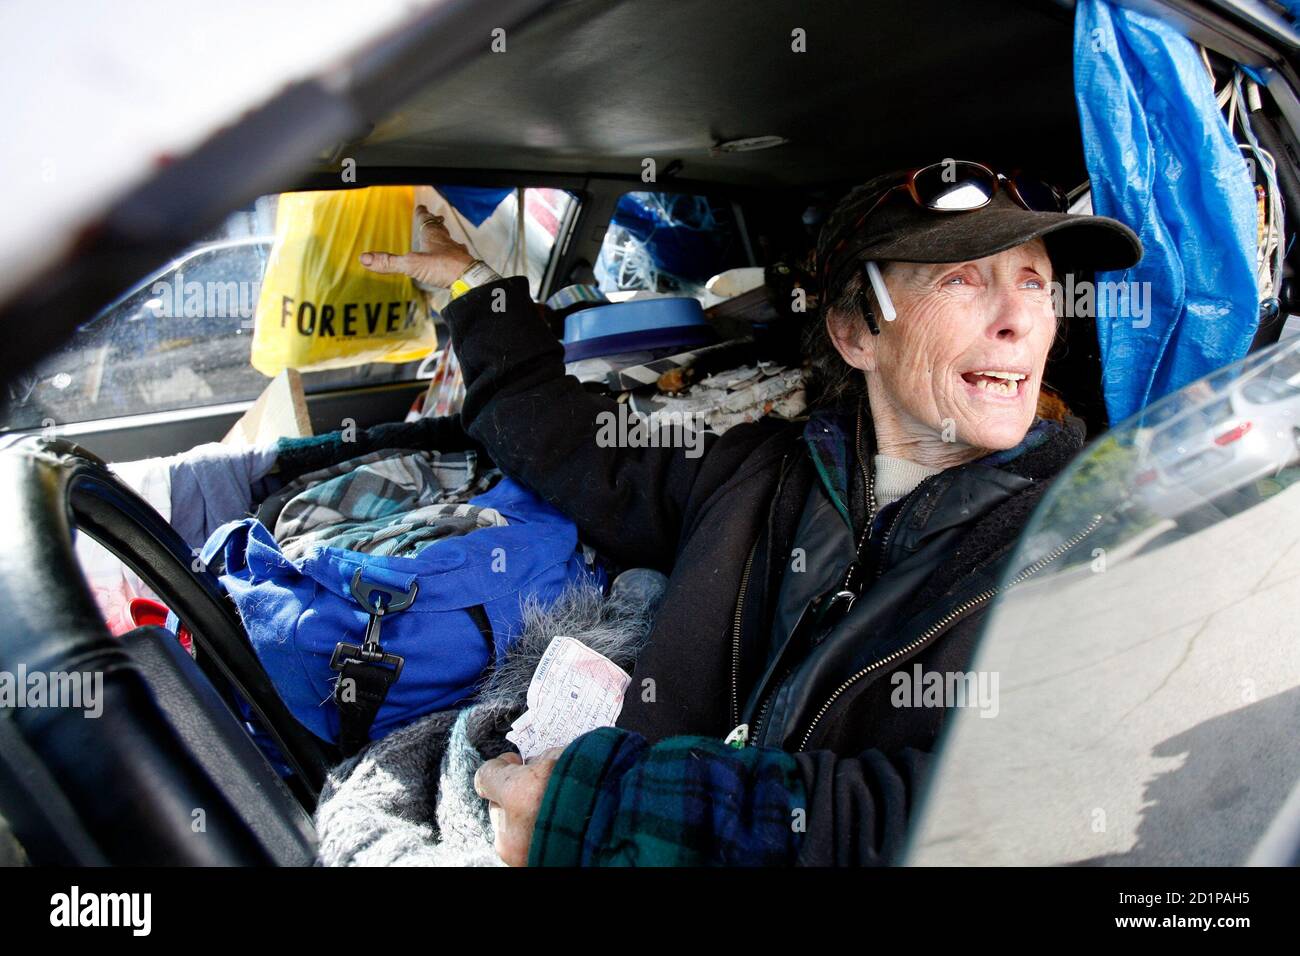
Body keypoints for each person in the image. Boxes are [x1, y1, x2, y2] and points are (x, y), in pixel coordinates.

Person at [359, 161, 1142, 866]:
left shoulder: (1086, 541)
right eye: (962, 280)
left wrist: (610, 814)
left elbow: (1020, 814)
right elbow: (565, 444)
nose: (1017, 319)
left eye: (1036, 282)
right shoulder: (758, 472)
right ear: (854, 331)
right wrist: (474, 289)